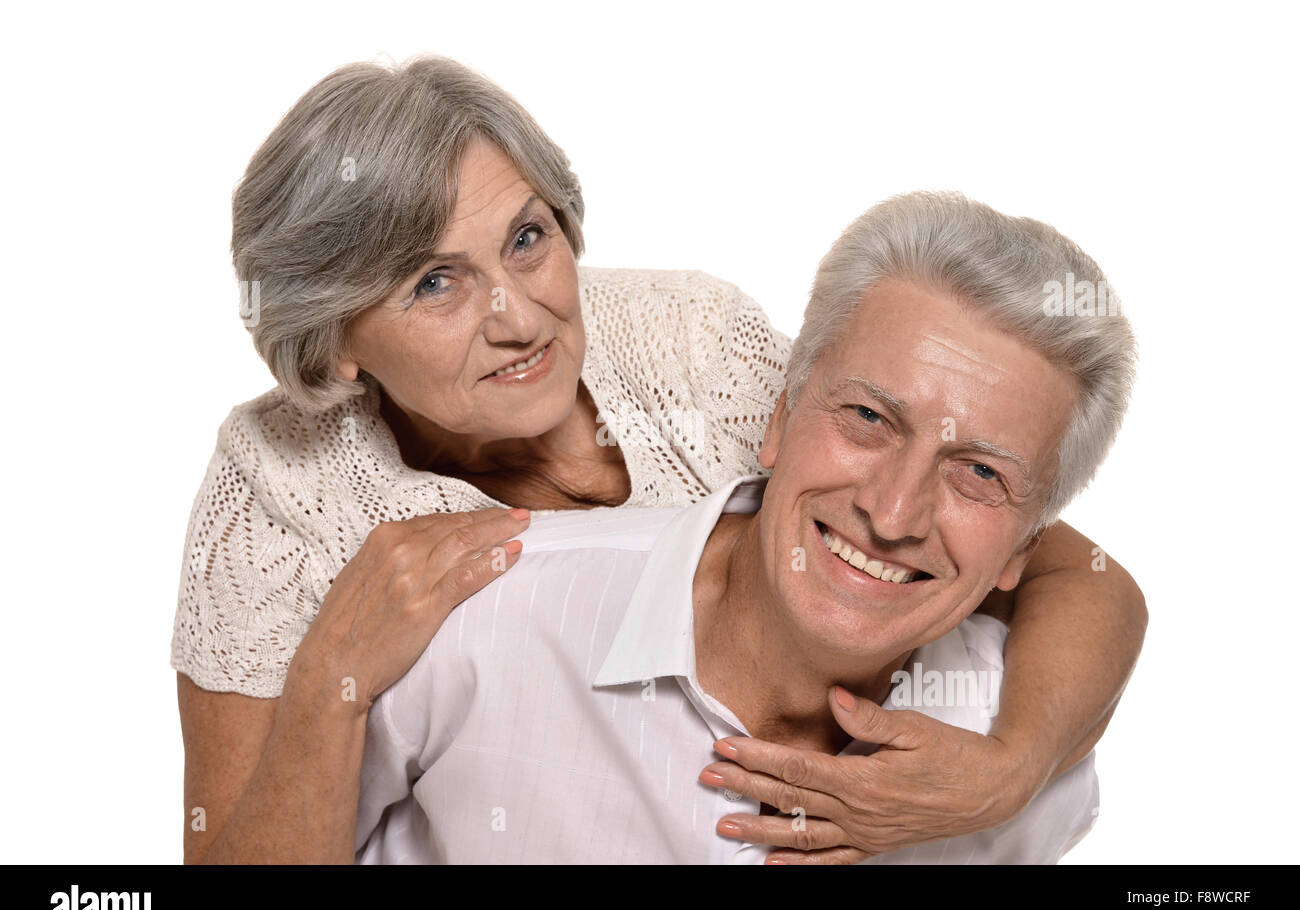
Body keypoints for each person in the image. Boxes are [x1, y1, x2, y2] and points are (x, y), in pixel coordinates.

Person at [173, 56, 1146, 864]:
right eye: (434, 282)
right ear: (333, 340)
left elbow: (1041, 554)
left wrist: (1012, 767)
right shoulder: (281, 488)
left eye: (526, 237)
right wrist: (330, 675)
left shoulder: (689, 341)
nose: (520, 317)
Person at [354, 191, 1135, 864]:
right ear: (780, 417)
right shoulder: (482, 623)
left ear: (1024, 551)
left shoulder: (1022, 754)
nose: (893, 513)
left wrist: (1011, 774)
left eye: (980, 472)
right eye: (867, 417)